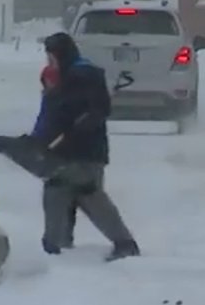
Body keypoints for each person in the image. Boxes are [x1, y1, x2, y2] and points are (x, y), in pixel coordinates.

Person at [33, 32, 140, 261]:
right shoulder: (62, 76)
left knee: (78, 194)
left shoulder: (83, 76)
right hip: (67, 152)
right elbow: (52, 117)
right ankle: (60, 245)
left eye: (51, 57)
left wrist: (73, 130)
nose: (49, 62)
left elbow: (95, 111)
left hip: (84, 152)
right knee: (71, 194)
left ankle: (57, 247)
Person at [33, 64, 77, 248]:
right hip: (52, 153)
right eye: (46, 82)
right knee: (56, 198)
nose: (48, 85)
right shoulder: (49, 98)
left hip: (66, 154)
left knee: (66, 198)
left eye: (52, 81)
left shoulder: (65, 101)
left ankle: (62, 237)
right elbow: (42, 123)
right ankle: (57, 237)